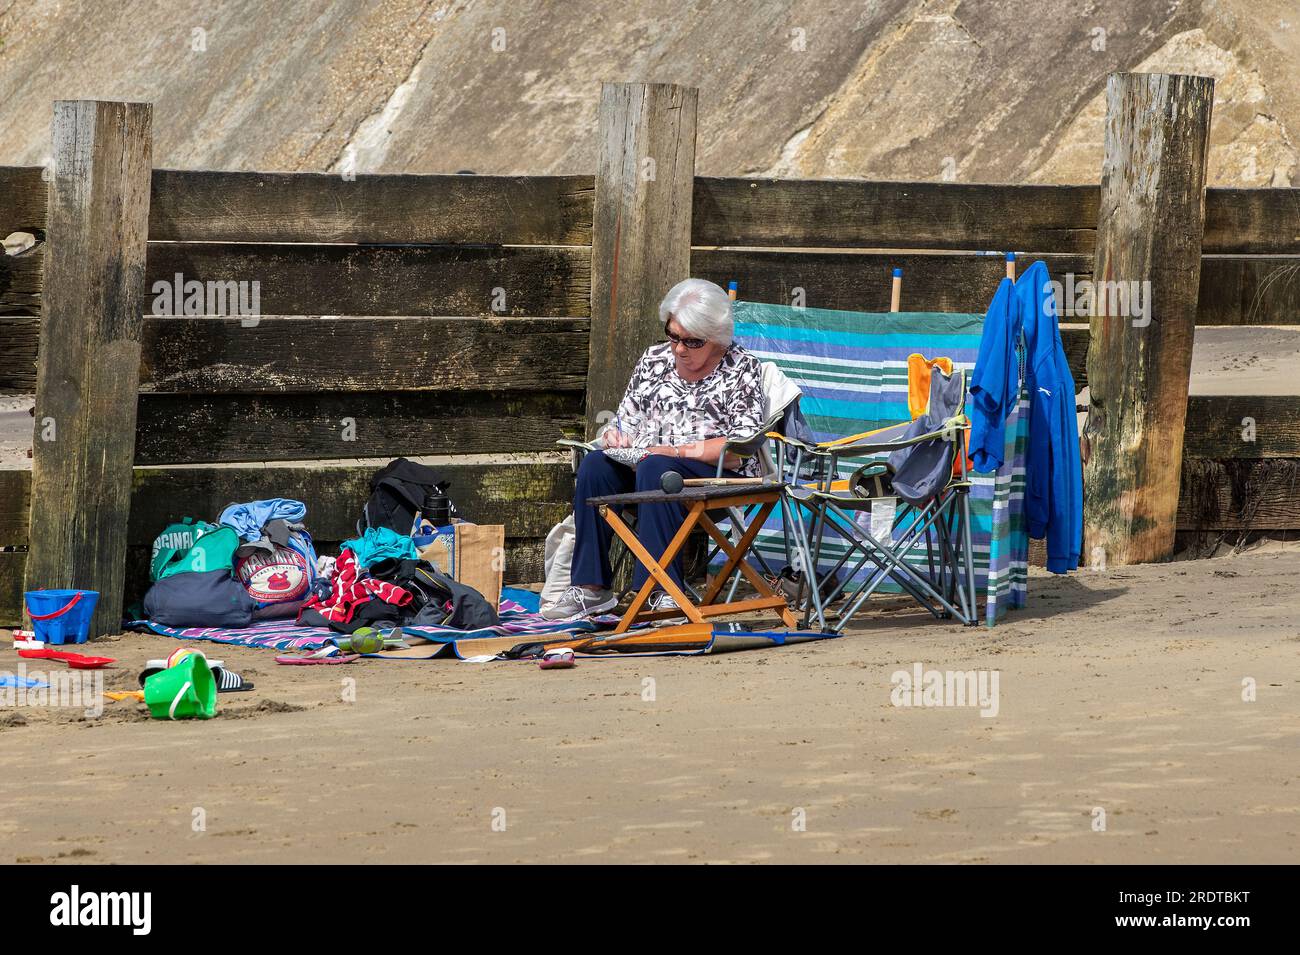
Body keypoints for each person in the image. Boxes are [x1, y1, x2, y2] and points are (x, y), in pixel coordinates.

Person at [542, 278, 766, 620]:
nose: (679, 349)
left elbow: (740, 448)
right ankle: (591, 588)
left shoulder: (743, 369)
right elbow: (624, 421)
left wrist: (675, 452)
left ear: (717, 338)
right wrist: (615, 437)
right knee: (595, 466)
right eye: (673, 335)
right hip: (648, 468)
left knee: (656, 466)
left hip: (718, 480)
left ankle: (659, 590)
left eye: (692, 341)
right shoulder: (653, 359)